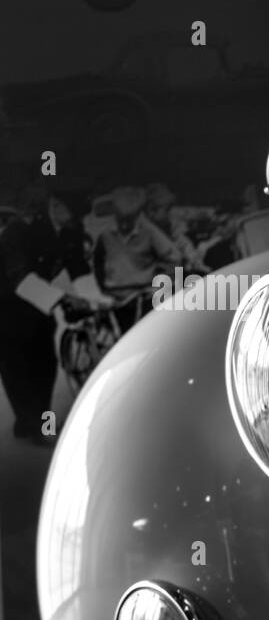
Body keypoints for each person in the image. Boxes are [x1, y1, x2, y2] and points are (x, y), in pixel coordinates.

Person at [0, 185, 92, 444]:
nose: (75, 221)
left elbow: (78, 267)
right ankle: (36, 426)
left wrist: (93, 298)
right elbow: (21, 279)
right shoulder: (18, 232)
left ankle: (31, 422)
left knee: (45, 364)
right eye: (71, 214)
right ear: (55, 206)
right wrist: (63, 298)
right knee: (18, 368)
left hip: (37, 304)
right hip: (6, 305)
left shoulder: (70, 230)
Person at [92, 186, 182, 330]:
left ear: (136, 216)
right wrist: (103, 288)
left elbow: (174, 258)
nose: (125, 224)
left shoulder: (148, 231)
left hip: (142, 294)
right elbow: (97, 264)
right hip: (114, 294)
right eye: (121, 219)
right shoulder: (105, 235)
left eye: (129, 219)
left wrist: (161, 281)